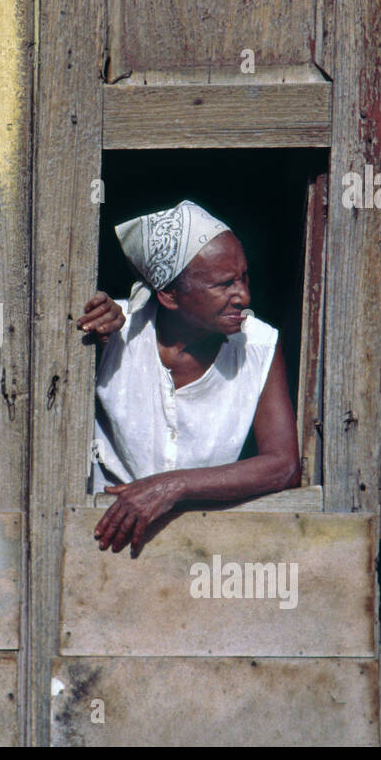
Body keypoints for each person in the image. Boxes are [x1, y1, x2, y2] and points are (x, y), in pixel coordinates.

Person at [76, 200, 301, 558]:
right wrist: (84, 334)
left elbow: (283, 466)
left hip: (205, 551)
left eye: (244, 277)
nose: (243, 296)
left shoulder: (258, 345)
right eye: (224, 284)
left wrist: (172, 486)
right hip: (98, 540)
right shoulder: (114, 333)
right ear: (168, 295)